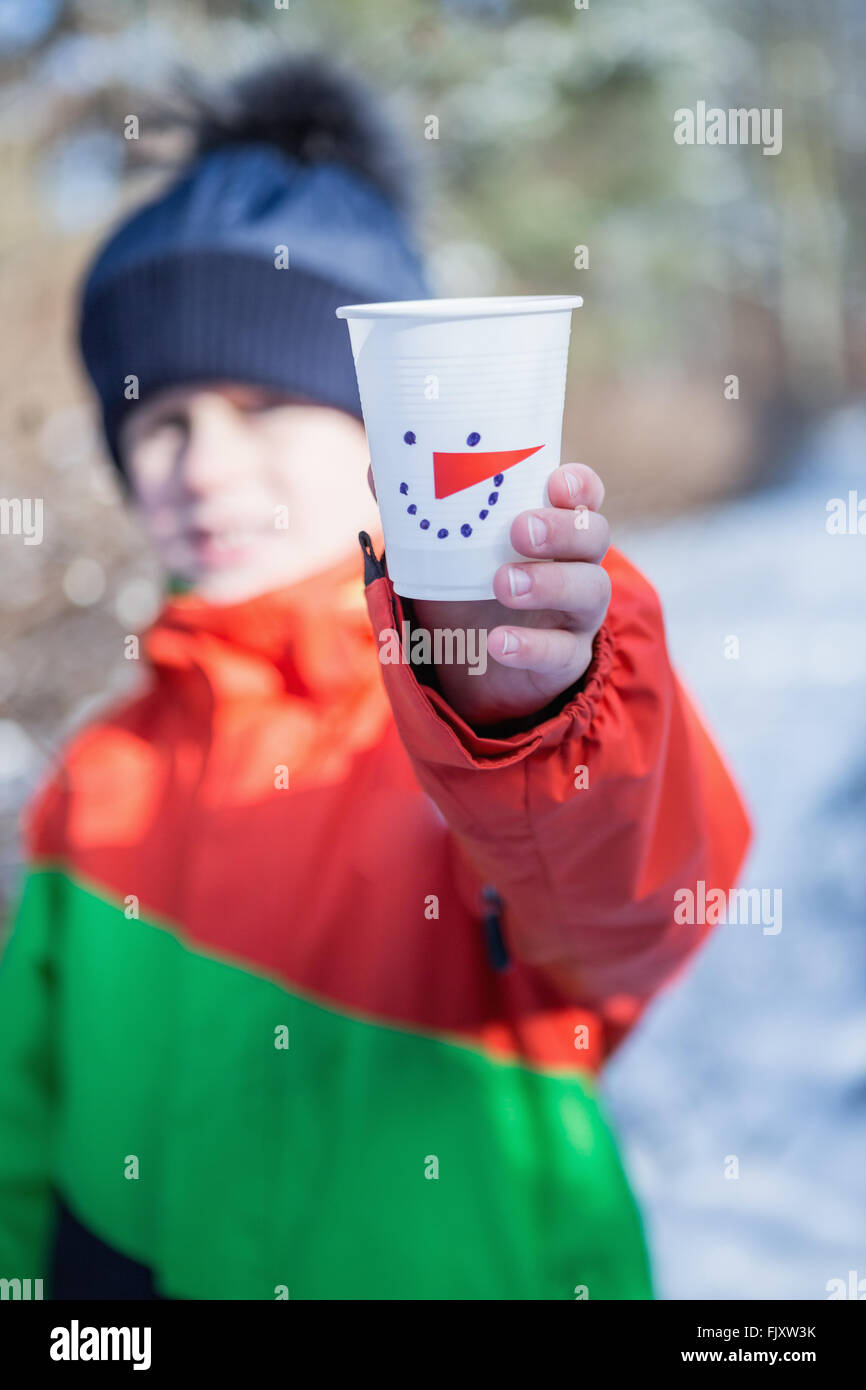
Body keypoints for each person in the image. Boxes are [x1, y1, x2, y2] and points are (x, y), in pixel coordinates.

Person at [0, 56, 750, 1300]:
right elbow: (23, 1134)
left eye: (262, 402)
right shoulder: (97, 783)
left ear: (392, 432)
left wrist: (528, 720)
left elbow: (634, 913)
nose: (203, 463)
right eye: (163, 419)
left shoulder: (446, 729)